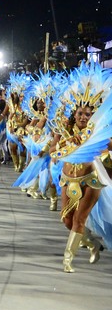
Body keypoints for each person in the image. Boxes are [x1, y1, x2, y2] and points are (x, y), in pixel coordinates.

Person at [48, 65, 110, 273]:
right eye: (81, 113)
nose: (84, 117)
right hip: (67, 178)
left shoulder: (98, 133)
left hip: (91, 179)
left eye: (88, 114)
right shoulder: (64, 131)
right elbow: (52, 151)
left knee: (79, 219)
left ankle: (68, 260)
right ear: (74, 114)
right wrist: (67, 145)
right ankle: (92, 243)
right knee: (66, 220)